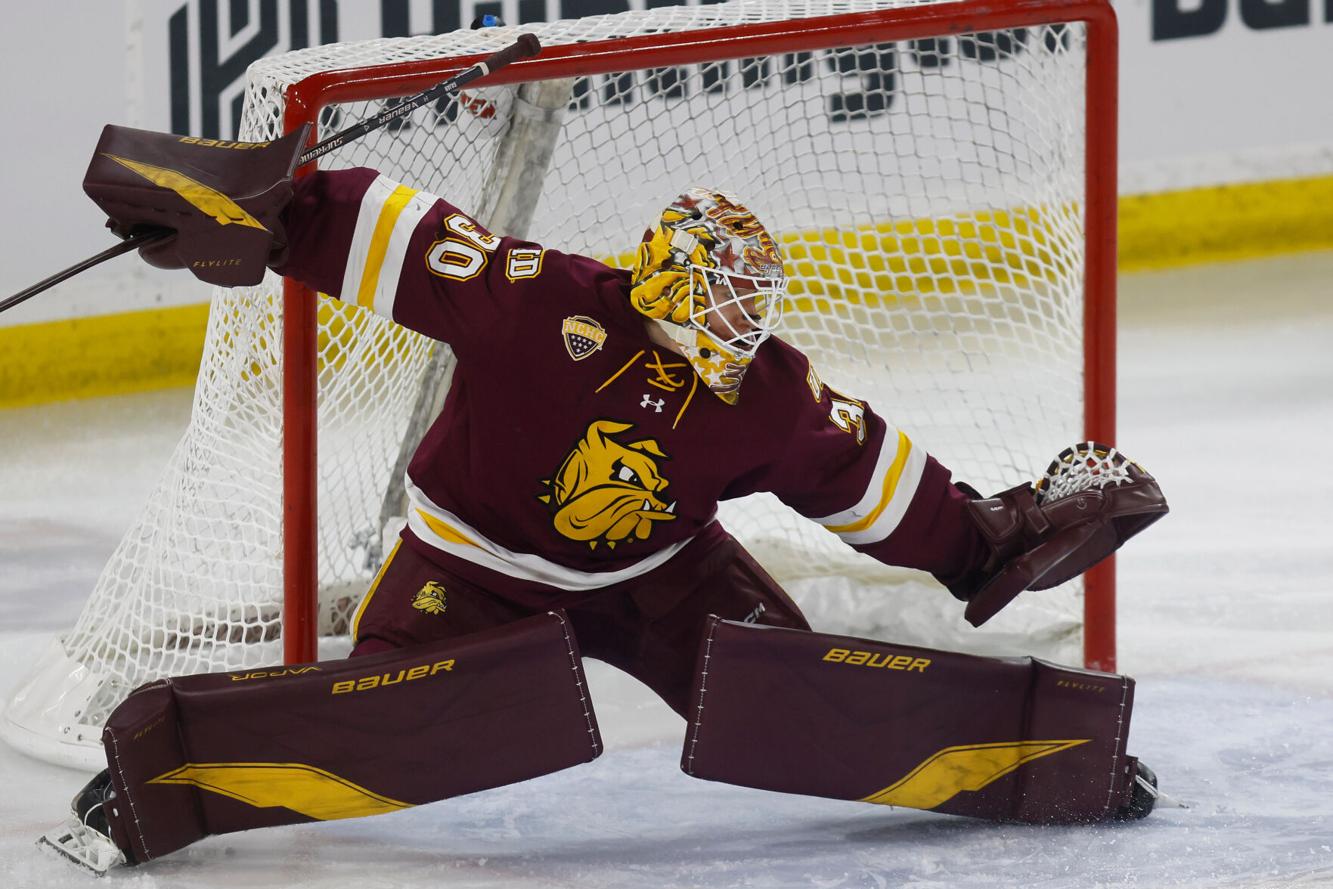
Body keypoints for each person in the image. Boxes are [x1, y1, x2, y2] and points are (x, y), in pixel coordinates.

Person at [47, 125, 1168, 872]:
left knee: (801, 707)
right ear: (657, 284)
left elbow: (860, 471)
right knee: (390, 724)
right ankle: (170, 775)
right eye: (711, 318)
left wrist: (980, 543)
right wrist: (265, 207)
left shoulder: (764, 389)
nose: (730, 345)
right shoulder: (537, 303)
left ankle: (1047, 751)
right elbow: (400, 232)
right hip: (465, 566)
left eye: (746, 320)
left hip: (662, 580)